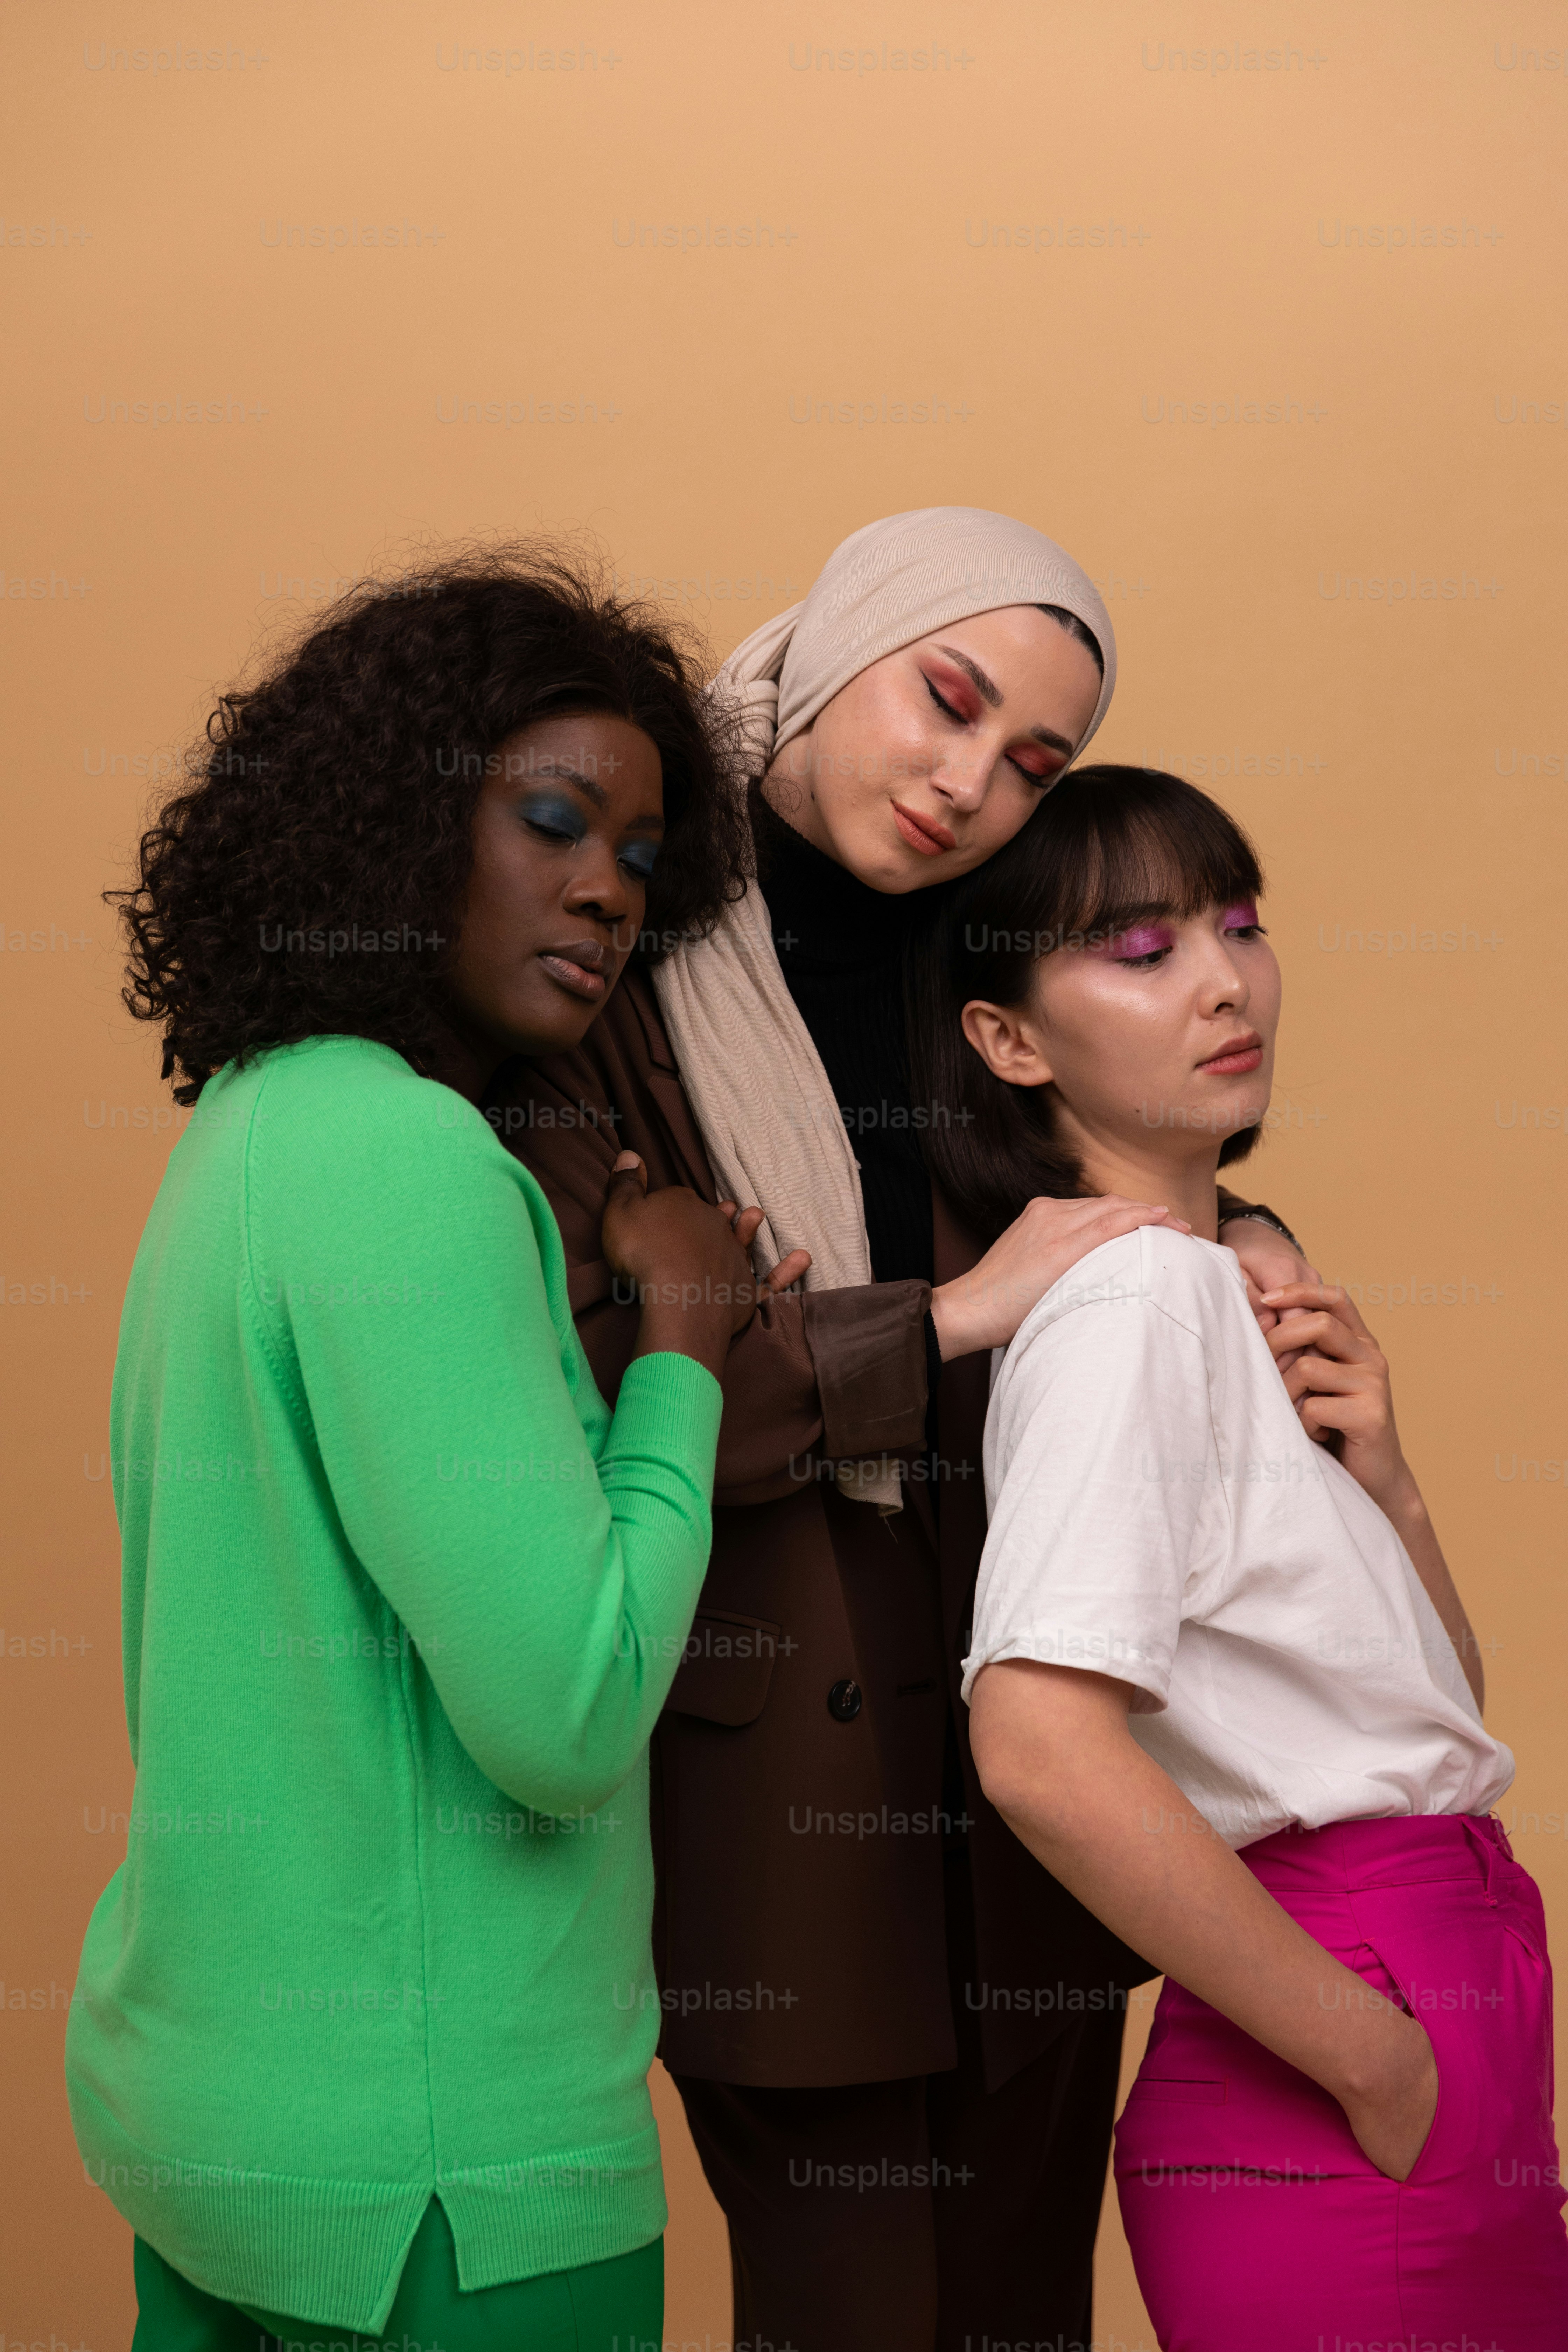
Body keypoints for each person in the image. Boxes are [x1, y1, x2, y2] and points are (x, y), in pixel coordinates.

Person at [485, 509, 1316, 2349]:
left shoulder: (991, 950)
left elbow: (1124, 1159)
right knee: (848, 2314)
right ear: (845, 641)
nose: (968, 785)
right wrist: (946, 1319)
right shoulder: (609, 938)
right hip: (775, 1781)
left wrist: (1243, 1242)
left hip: (1037, 1761)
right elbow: (614, 1384)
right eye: (946, 702)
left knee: (1029, 2310)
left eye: (1033, 761)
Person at [66, 551, 793, 2351]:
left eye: (637, 858)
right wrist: (683, 1351)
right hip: (443, 2180)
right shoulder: (415, 1164)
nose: (604, 892)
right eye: (552, 820)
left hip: (213, 2120)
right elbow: (558, 1718)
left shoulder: (244, 1130)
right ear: (394, 829)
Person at [915, 763, 1568, 2345]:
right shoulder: (1131, 1305)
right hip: (1339, 2045)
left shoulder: (1230, 1295)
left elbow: (1434, 1724)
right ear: (1007, 1042)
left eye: (1237, 923)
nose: (1222, 979)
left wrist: (1388, 1482)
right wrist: (1374, 2057)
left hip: (1451, 1996)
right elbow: (1039, 1748)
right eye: (1136, 952)